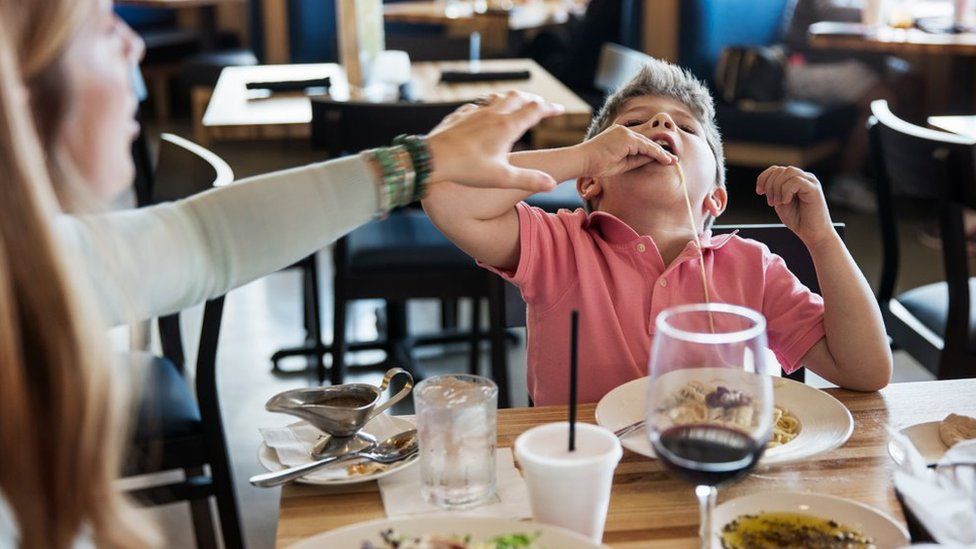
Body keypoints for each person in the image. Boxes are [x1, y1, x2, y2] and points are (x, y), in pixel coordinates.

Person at [0, 0, 566, 545]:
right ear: (19, 84)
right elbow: (203, 241)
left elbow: (204, 239)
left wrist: (421, 163)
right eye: (102, 24)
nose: (134, 41)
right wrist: (421, 163)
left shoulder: (37, 261)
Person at [422, 58, 893, 406]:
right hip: (594, 478)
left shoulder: (754, 268)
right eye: (631, 125)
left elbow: (867, 369)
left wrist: (823, 238)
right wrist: (579, 156)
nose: (660, 124)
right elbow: (445, 193)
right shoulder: (561, 245)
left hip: (717, 469)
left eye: (686, 128)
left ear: (715, 199)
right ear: (591, 182)